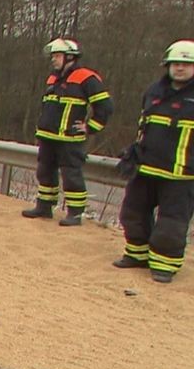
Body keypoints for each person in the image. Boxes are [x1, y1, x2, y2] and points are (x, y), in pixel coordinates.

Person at [114, 40, 194, 283]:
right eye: (175, 63)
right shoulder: (153, 91)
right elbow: (144, 126)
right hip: (145, 168)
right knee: (132, 213)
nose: (180, 68)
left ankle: (164, 265)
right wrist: (133, 151)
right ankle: (137, 255)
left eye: (186, 64)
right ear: (167, 65)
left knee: (171, 223)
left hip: (181, 174)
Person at [21, 38, 113, 226]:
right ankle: (44, 206)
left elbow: (105, 106)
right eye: (53, 56)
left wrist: (90, 127)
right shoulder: (53, 78)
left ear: (70, 57)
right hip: (48, 137)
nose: (53, 60)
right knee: (45, 172)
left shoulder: (86, 78)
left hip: (69, 139)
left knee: (71, 175)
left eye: (57, 56)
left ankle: (75, 213)